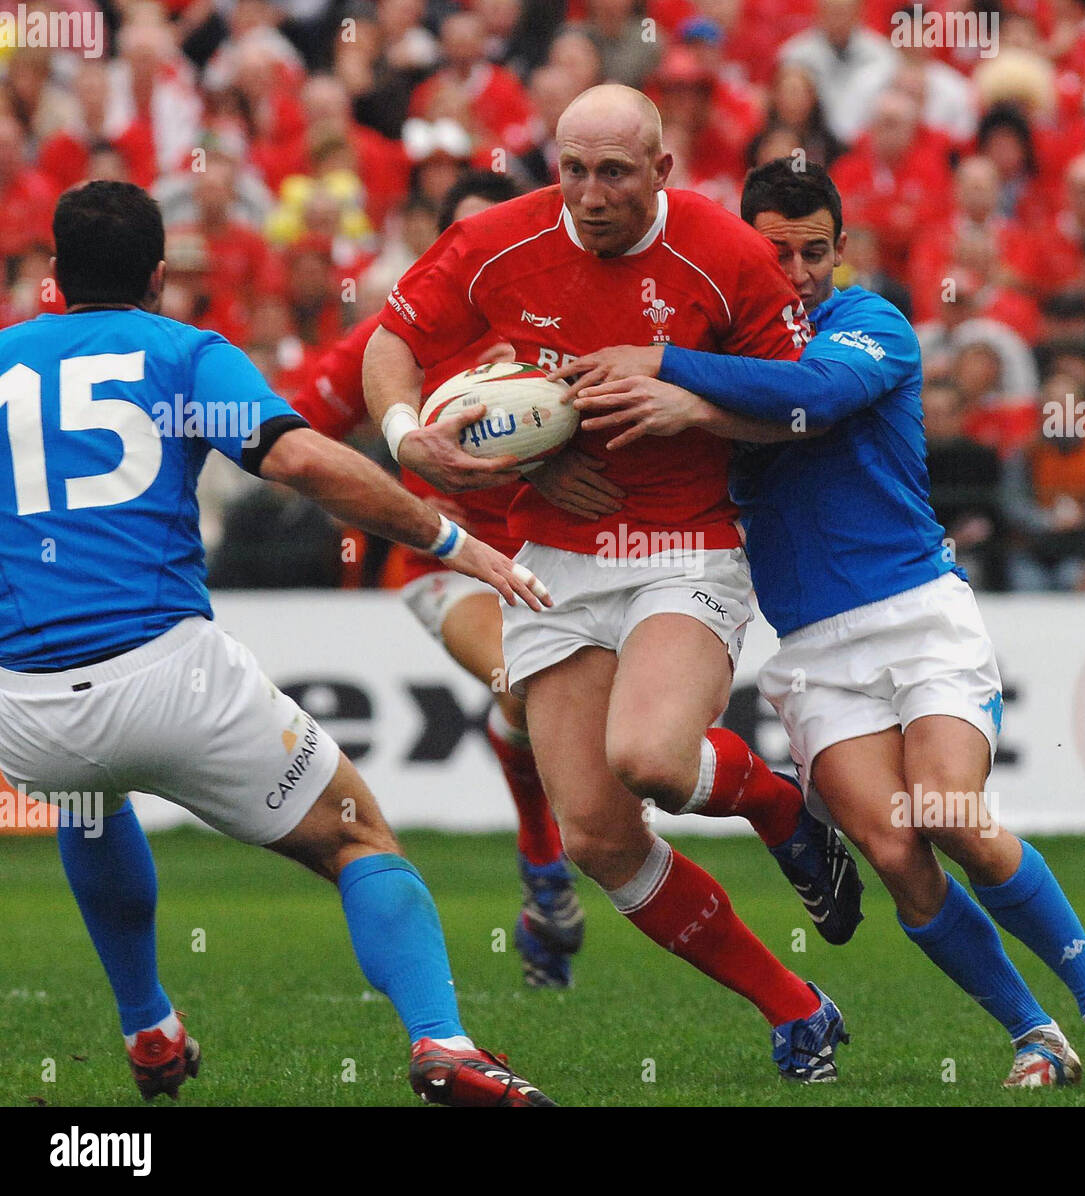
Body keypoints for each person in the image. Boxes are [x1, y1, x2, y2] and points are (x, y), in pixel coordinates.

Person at [560, 158, 1085, 1088]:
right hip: (812, 651)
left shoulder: (870, 325)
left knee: (948, 814)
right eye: (776, 252)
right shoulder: (727, 348)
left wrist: (670, 375)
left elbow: (816, 398)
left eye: (816, 251)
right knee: (892, 850)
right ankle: (1033, 1033)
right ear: (743, 250)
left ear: (840, 250)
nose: (799, 270)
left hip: (916, 615)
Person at [0, 181, 555, 1108]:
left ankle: (148, 1026)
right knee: (358, 837)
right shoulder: (183, 352)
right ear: (160, 275)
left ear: (52, 276)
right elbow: (297, 459)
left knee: (87, 801)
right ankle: (443, 1043)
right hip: (165, 672)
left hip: (23, 706)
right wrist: (450, 538)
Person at [364, 84, 863, 1083]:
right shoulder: (499, 239)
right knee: (594, 832)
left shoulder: (726, 255)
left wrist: (690, 403)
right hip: (555, 558)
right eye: (572, 168)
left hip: (688, 544)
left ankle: (773, 802)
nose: (588, 194)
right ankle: (797, 1005)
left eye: (614, 172)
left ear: (663, 171)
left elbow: (802, 410)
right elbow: (392, 343)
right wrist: (409, 433)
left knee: (647, 755)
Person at [292, 169, 588, 989]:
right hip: (446, 562)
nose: (482, 252)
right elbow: (288, 426)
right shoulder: (402, 331)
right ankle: (545, 869)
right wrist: (390, 487)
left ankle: (551, 888)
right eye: (465, 236)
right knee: (518, 679)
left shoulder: (562, 308)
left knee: (575, 716)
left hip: (558, 552)